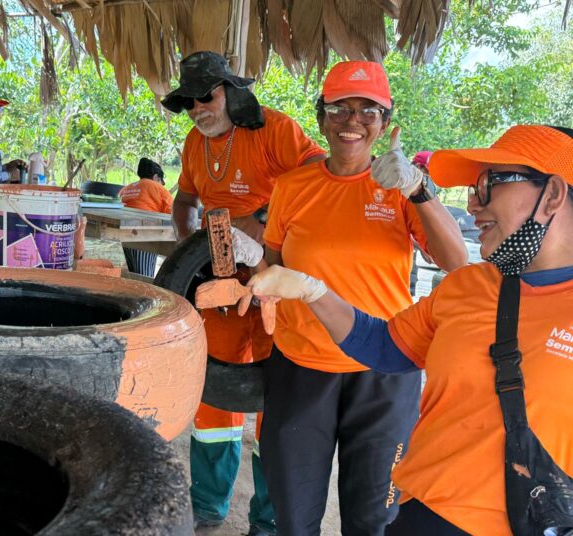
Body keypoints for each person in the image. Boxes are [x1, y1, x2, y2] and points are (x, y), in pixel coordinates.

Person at [244, 124, 573, 535]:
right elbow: (386, 347)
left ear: (554, 195)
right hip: (418, 517)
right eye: (473, 188)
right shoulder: (468, 287)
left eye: (488, 185)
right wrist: (313, 291)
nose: (472, 204)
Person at [248, 60, 468, 535]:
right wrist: (247, 270)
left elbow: (456, 261)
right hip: (301, 366)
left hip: (384, 371)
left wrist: (418, 189)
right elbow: (272, 266)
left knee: (374, 520)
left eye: (368, 110)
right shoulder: (292, 188)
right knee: (294, 517)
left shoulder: (399, 187)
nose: (353, 120)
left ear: (386, 123)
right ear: (322, 118)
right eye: (339, 108)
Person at [161, 50, 326, 535]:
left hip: (280, 276)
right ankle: (209, 505)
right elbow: (185, 200)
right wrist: (185, 252)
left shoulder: (276, 129)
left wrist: (262, 224)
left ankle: (269, 517)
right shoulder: (195, 142)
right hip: (218, 278)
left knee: (279, 401)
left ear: (231, 91)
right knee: (213, 394)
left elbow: (321, 174)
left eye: (204, 96)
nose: (196, 108)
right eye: (187, 102)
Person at [118, 158, 173, 276]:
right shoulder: (159, 188)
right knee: (144, 275)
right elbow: (172, 214)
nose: (162, 184)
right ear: (155, 177)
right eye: (161, 180)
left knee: (133, 273)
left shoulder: (127, 188)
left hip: (123, 235)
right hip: (145, 236)